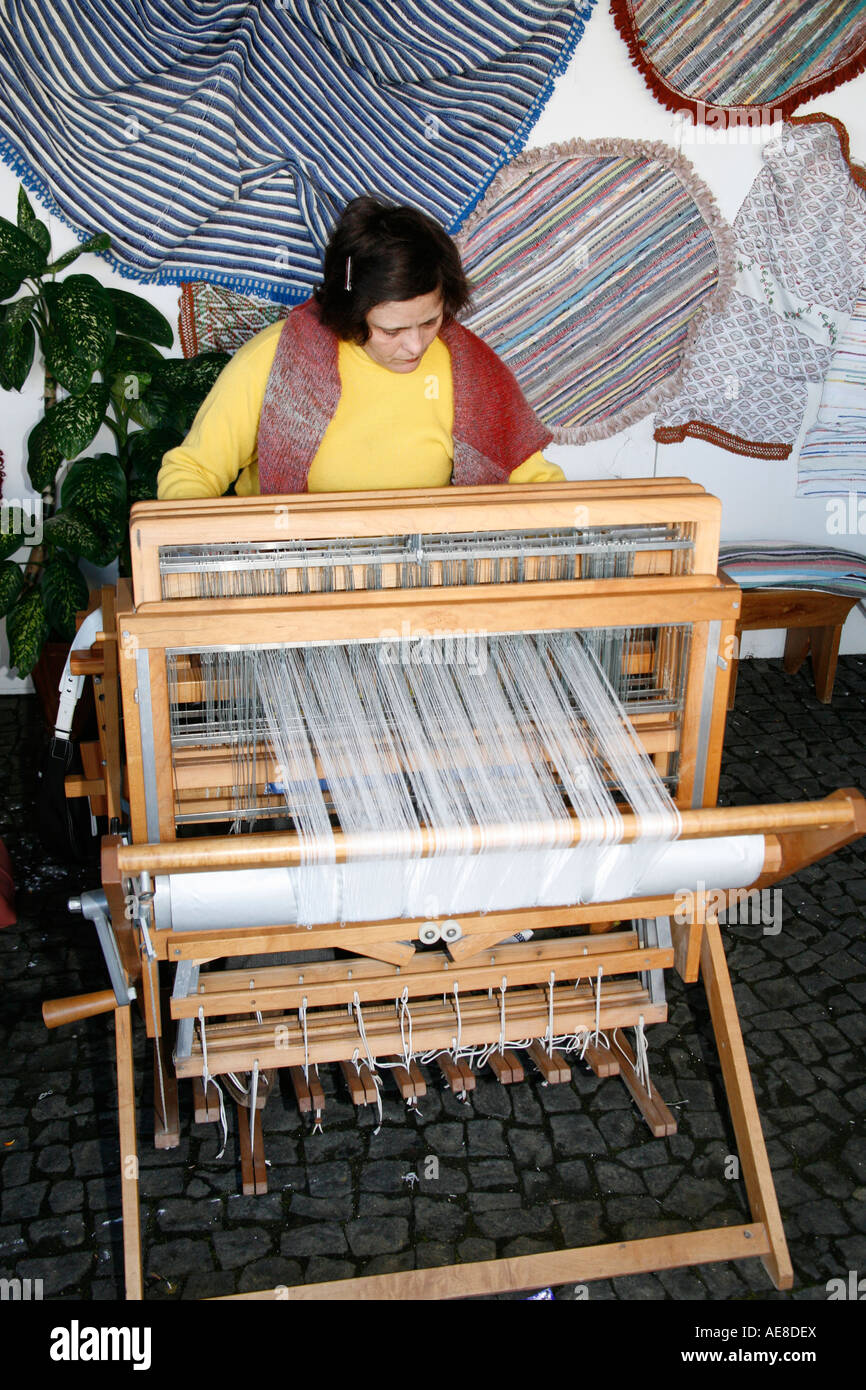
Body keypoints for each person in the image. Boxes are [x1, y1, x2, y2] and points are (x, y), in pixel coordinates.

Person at [157, 196, 564, 499]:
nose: (415, 344)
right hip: (293, 585)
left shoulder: (467, 369)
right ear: (351, 315)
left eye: (429, 321)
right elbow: (192, 470)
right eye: (391, 330)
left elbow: (532, 482)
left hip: (423, 590)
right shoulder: (274, 359)